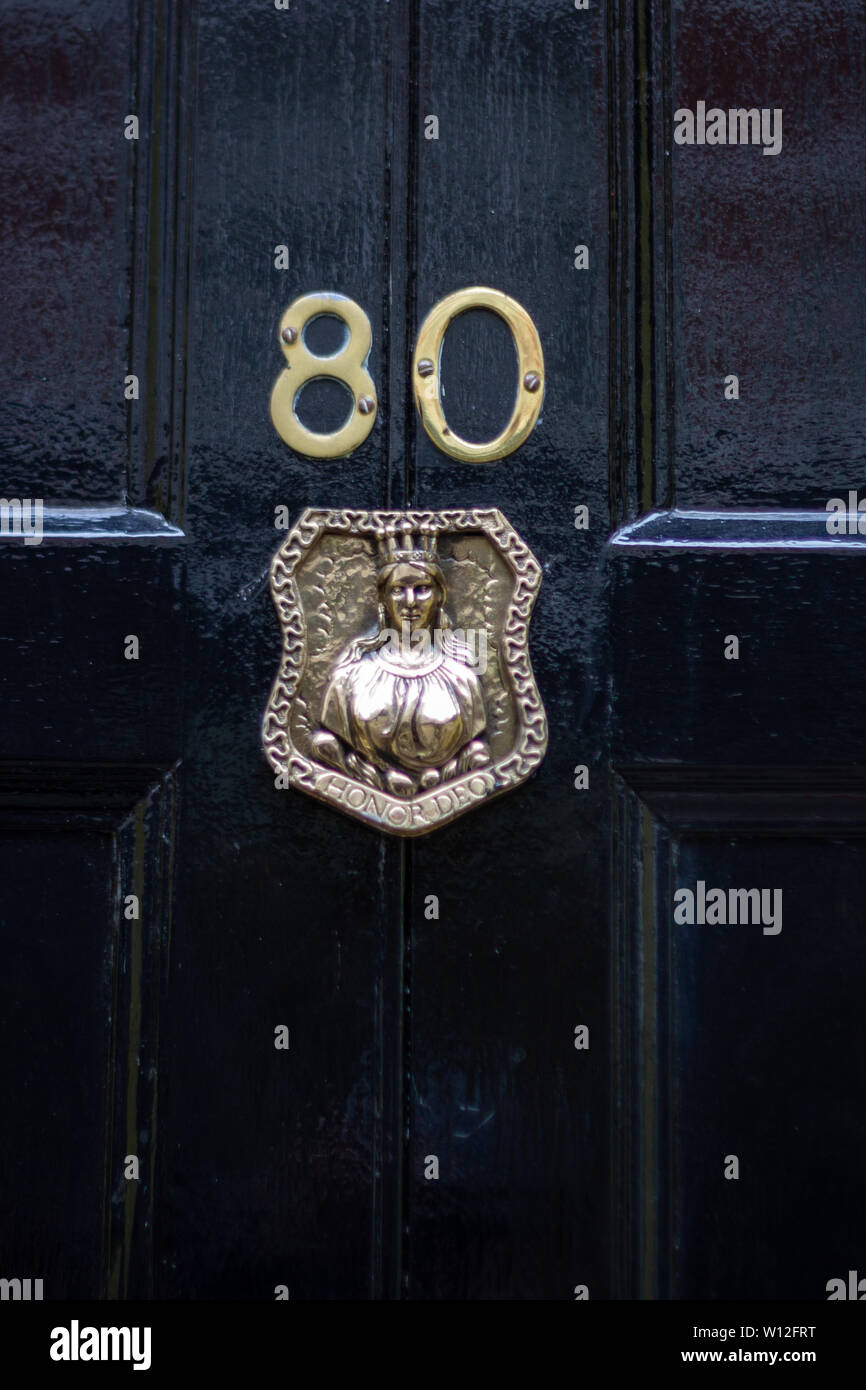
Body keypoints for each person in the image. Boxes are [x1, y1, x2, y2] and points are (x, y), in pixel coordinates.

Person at [312, 524, 490, 798]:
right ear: (382, 598)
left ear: (439, 596)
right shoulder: (350, 678)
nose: (410, 602)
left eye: (422, 589)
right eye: (398, 590)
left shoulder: (462, 679)